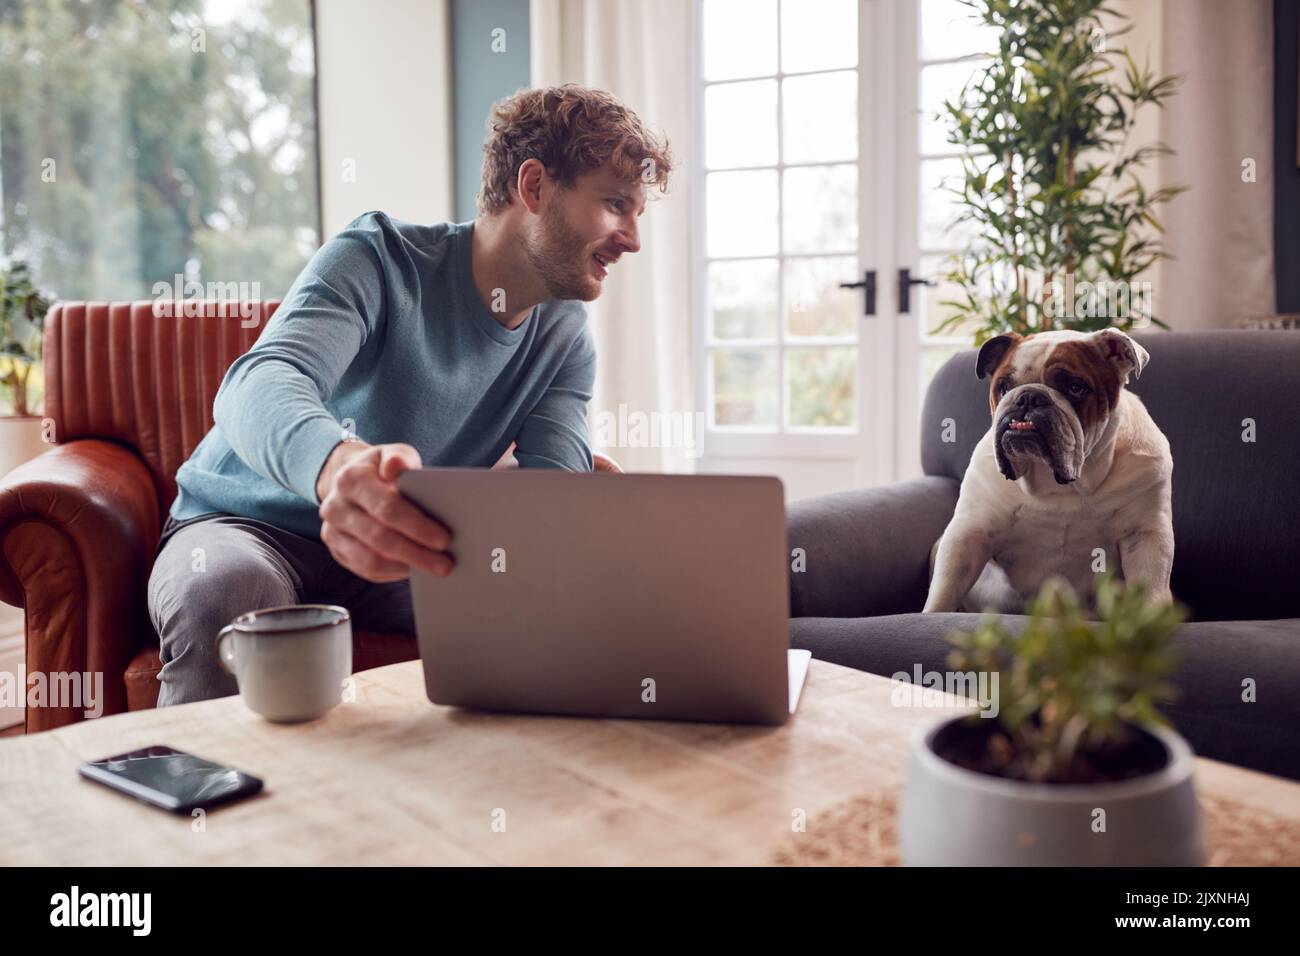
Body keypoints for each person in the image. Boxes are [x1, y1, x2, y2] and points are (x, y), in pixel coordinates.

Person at [147, 84, 672, 705]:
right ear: (533, 187)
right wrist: (339, 467)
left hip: (403, 551)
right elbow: (258, 382)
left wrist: (576, 510)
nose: (633, 238)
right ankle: (201, 798)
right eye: (615, 204)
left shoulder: (565, 338)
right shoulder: (379, 257)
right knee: (227, 592)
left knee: (550, 613)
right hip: (247, 525)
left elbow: (545, 500)